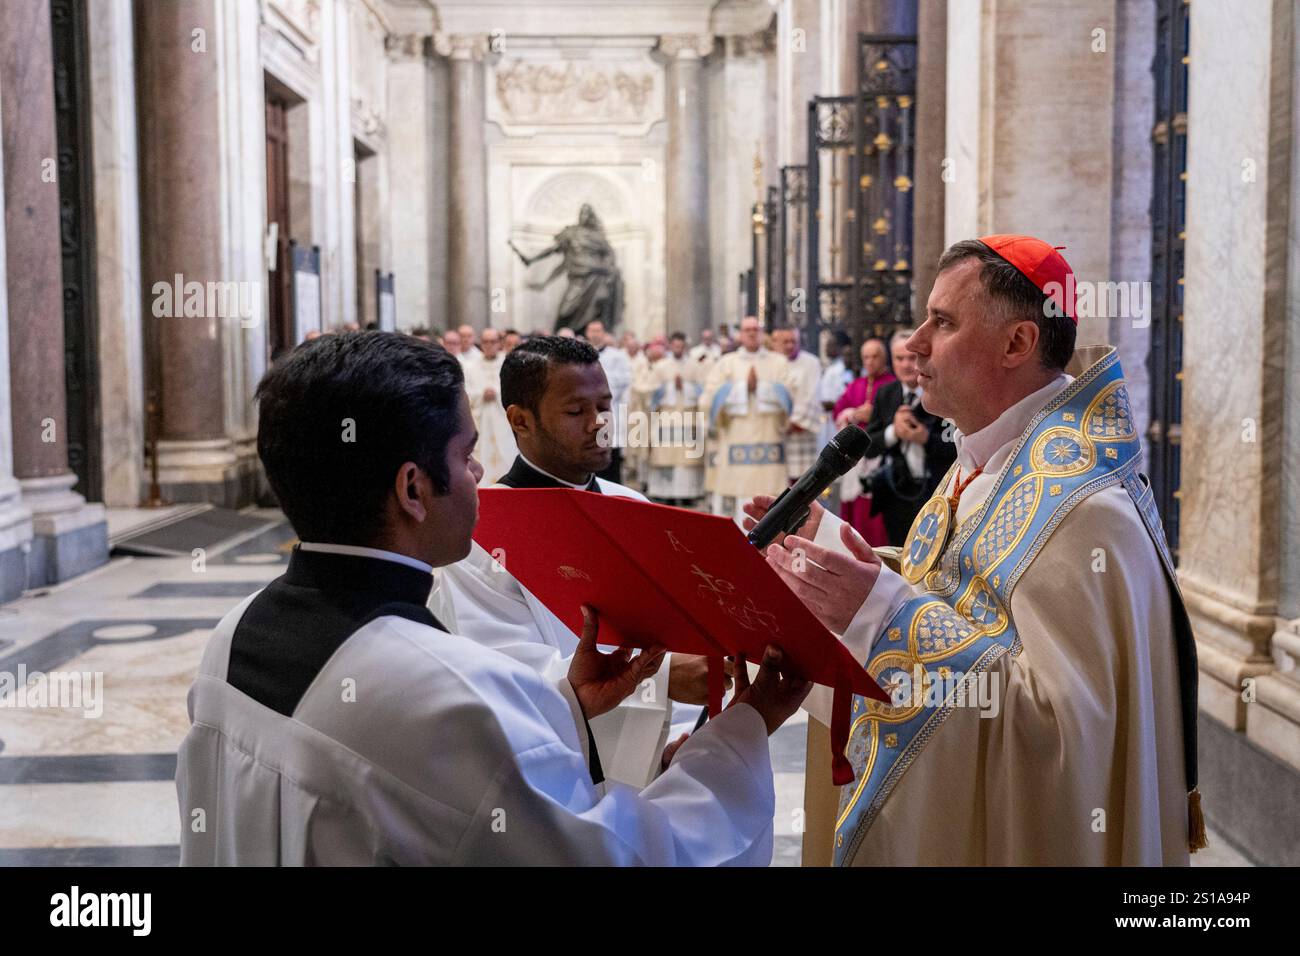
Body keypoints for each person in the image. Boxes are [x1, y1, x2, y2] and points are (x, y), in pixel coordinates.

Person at [177, 331, 807, 865]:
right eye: (467, 454)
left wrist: (567, 700)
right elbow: (624, 854)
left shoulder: (231, 638)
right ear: (413, 489)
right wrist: (748, 728)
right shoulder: (450, 698)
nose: (479, 474)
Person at [749, 235, 1201, 866]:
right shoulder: (986, 465)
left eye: (943, 322)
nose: (914, 344)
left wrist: (882, 612)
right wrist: (860, 570)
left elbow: (1062, 741)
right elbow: (964, 607)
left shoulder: (1086, 512)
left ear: (1017, 343)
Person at [432, 336, 729, 788]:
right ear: (520, 420)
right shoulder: (483, 534)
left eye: (605, 407)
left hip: (657, 769)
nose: (600, 424)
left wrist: (688, 736)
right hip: (550, 788)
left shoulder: (633, 507)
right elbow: (509, 680)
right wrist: (661, 678)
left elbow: (671, 638)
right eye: (576, 412)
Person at [862, 330, 956, 544]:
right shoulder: (886, 393)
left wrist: (925, 438)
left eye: (911, 357)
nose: (906, 365)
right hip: (896, 491)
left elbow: (958, 449)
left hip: (937, 491)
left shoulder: (943, 391)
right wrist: (893, 432)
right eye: (899, 358)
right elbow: (870, 446)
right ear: (891, 361)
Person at [700, 316, 793, 522]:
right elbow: (708, 399)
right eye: (747, 330)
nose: (751, 333)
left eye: (756, 329)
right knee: (735, 496)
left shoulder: (778, 362)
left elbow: (790, 394)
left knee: (770, 496)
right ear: (740, 334)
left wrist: (760, 388)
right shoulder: (726, 363)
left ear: (762, 334)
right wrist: (743, 389)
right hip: (735, 439)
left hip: (768, 440)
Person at [833, 338, 894, 545]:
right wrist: (853, 414)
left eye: (875, 356)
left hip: (880, 456)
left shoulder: (891, 385)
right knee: (855, 511)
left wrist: (873, 416)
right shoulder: (855, 386)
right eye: (866, 357)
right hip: (855, 459)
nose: (870, 361)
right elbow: (838, 412)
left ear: (884, 358)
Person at [645, 332, 706, 506]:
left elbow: (704, 390)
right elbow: (650, 389)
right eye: (675, 346)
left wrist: (685, 388)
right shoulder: (661, 366)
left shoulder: (694, 366)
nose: (678, 349)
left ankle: (688, 492)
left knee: (686, 458)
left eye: (681, 346)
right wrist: (670, 387)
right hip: (667, 415)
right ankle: (665, 492)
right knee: (666, 455)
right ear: (671, 346)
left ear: (685, 346)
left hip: (688, 415)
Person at [770, 325, 824, 485]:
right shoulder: (773, 363)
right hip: (778, 432)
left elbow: (812, 395)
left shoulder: (811, 362)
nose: (790, 345)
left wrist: (795, 422)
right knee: (780, 483)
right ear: (778, 343)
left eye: (794, 341)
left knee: (804, 482)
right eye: (785, 341)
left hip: (802, 431)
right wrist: (780, 424)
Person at [463, 327, 516, 485]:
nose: (489, 345)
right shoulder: (470, 367)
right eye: (485, 342)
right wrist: (481, 395)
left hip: (504, 424)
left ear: (499, 343)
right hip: (481, 424)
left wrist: (498, 394)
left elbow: (515, 390)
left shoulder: (508, 363)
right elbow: (465, 393)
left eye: (493, 341)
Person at [583, 320, 631, 484]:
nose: (595, 334)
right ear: (587, 333)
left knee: (610, 458)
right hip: (587, 412)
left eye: (598, 331)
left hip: (610, 409)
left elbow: (625, 379)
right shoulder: (581, 354)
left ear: (603, 333)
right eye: (592, 331)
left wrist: (601, 386)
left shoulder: (616, 355)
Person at [816, 330, 854, 451]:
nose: (826, 347)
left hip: (838, 421)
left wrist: (826, 404)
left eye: (831, 344)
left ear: (841, 347)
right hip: (827, 422)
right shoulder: (831, 368)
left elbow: (846, 397)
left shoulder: (842, 369)